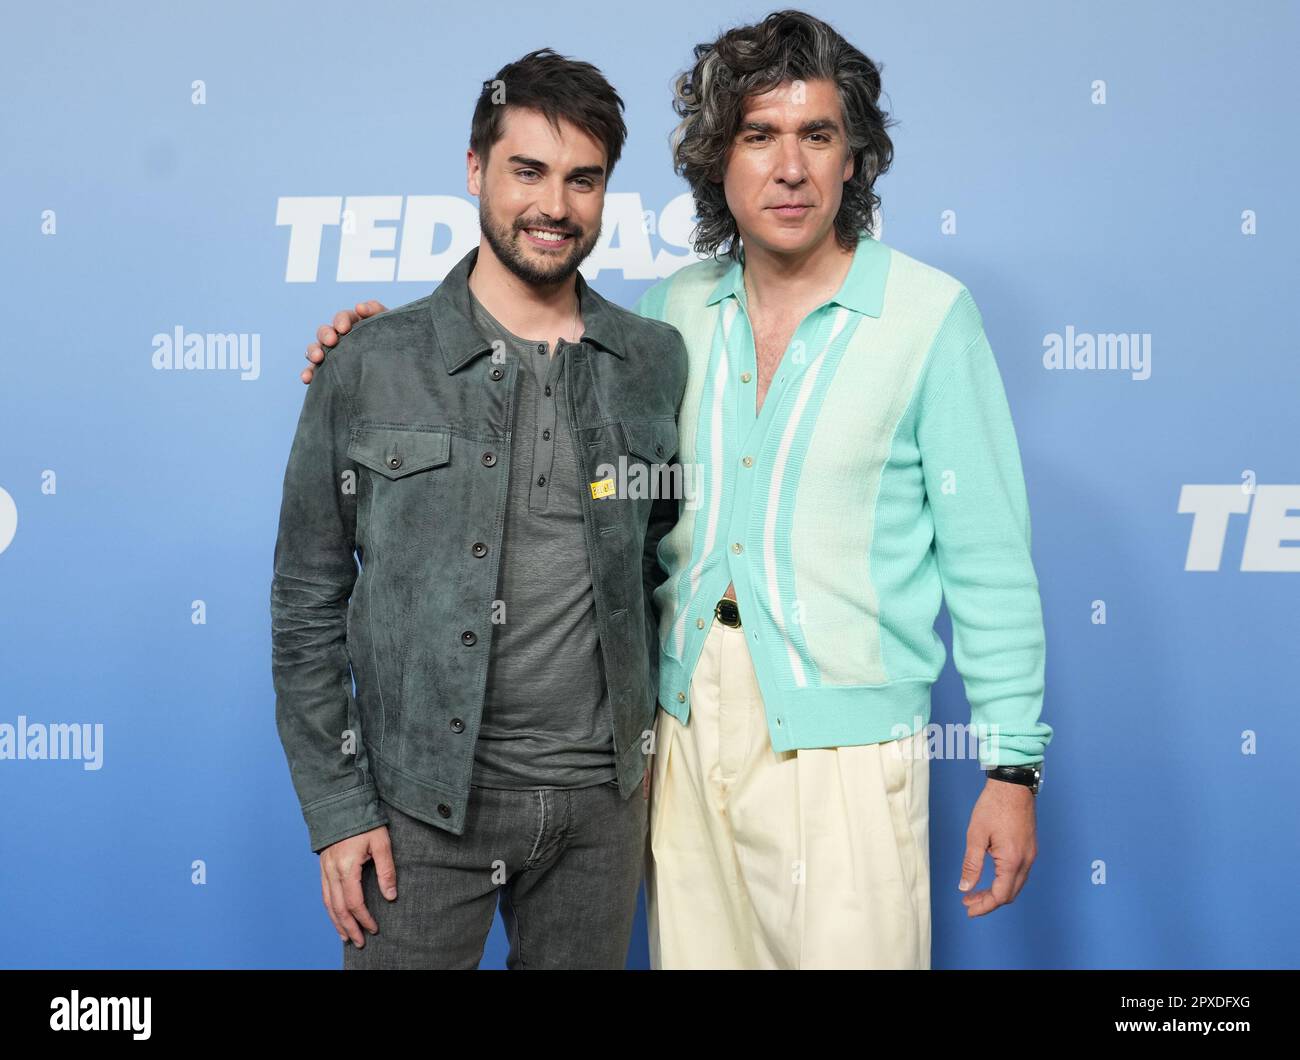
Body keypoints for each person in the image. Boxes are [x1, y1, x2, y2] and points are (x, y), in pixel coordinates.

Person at [302, 9, 1052, 970]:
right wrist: (372, 353)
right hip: (680, 738)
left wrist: (1011, 768)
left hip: (847, 753)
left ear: (855, 159)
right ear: (718, 162)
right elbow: (602, 494)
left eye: (818, 135)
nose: (790, 168)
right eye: (759, 136)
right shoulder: (669, 320)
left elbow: (989, 558)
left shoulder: (929, 319)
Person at [270, 47, 687, 969]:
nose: (555, 206)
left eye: (584, 180)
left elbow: (668, 564)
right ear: (474, 171)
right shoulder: (371, 361)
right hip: (421, 808)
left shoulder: (656, 360)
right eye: (527, 171)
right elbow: (306, 603)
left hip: (600, 812)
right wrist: (339, 811)